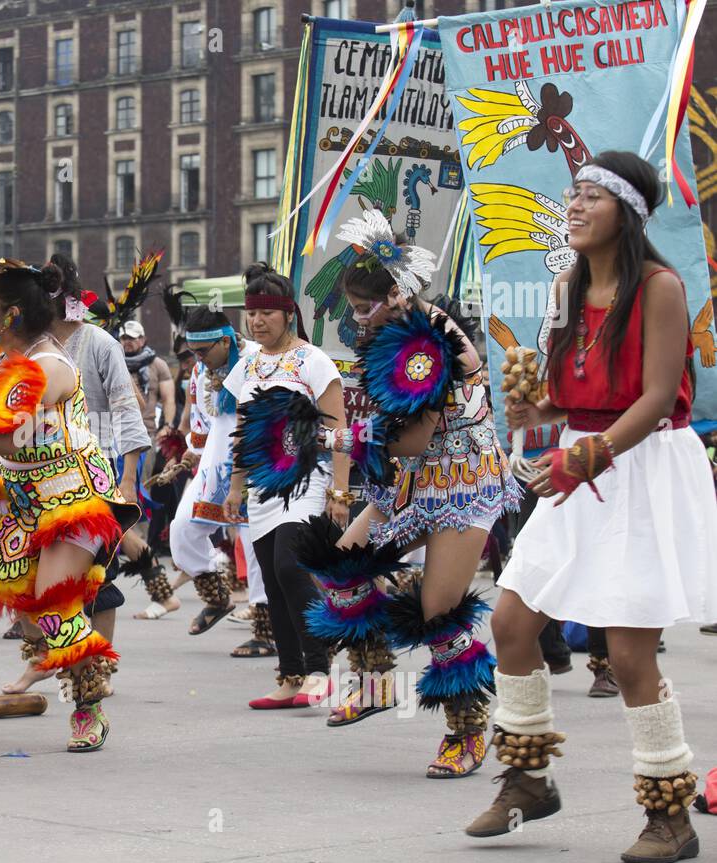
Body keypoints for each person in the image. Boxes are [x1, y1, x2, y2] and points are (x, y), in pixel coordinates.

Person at [465, 152, 715, 863]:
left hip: (640, 470)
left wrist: (580, 458)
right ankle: (527, 778)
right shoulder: (571, 284)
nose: (573, 205)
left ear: (626, 213)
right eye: (571, 194)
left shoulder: (660, 288)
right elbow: (571, 396)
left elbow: (658, 399)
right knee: (511, 621)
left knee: (630, 653)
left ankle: (670, 817)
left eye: (590, 196)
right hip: (583, 463)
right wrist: (534, 407)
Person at [295, 210, 522, 776]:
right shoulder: (400, 333)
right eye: (351, 306)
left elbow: (415, 438)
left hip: (463, 482)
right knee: (342, 564)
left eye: (364, 307)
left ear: (396, 295)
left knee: (438, 609)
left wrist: (335, 437)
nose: (356, 318)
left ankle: (467, 729)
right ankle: (375, 680)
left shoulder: (428, 344)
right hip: (417, 479)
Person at [0, 258, 139, 751]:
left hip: (68, 498)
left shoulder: (49, 367)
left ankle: (88, 706)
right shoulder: (1, 364)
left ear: (12, 314)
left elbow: (9, 440)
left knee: (56, 609)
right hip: (16, 492)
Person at [0, 251, 154, 694]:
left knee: (95, 582)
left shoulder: (99, 342)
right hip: (40, 479)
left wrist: (127, 479)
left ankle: (95, 671)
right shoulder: (27, 347)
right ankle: (52, 661)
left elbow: (125, 407)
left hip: (92, 470)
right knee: (26, 578)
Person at [222, 263, 348, 708]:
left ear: (288, 315)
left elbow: (341, 431)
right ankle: (290, 676)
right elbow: (243, 430)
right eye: (251, 314)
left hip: (308, 479)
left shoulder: (314, 362)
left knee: (292, 568)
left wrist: (340, 493)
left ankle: (319, 667)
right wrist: (235, 487)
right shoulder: (247, 365)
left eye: (266, 314)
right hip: (262, 486)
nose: (257, 322)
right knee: (271, 581)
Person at [169, 305, 263, 637]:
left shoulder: (256, 360)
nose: (198, 359)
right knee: (181, 528)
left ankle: (266, 629)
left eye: (202, 351)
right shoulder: (199, 370)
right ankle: (217, 596)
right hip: (213, 461)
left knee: (255, 545)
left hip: (254, 459)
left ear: (225, 341)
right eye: (193, 352)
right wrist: (188, 456)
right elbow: (201, 418)